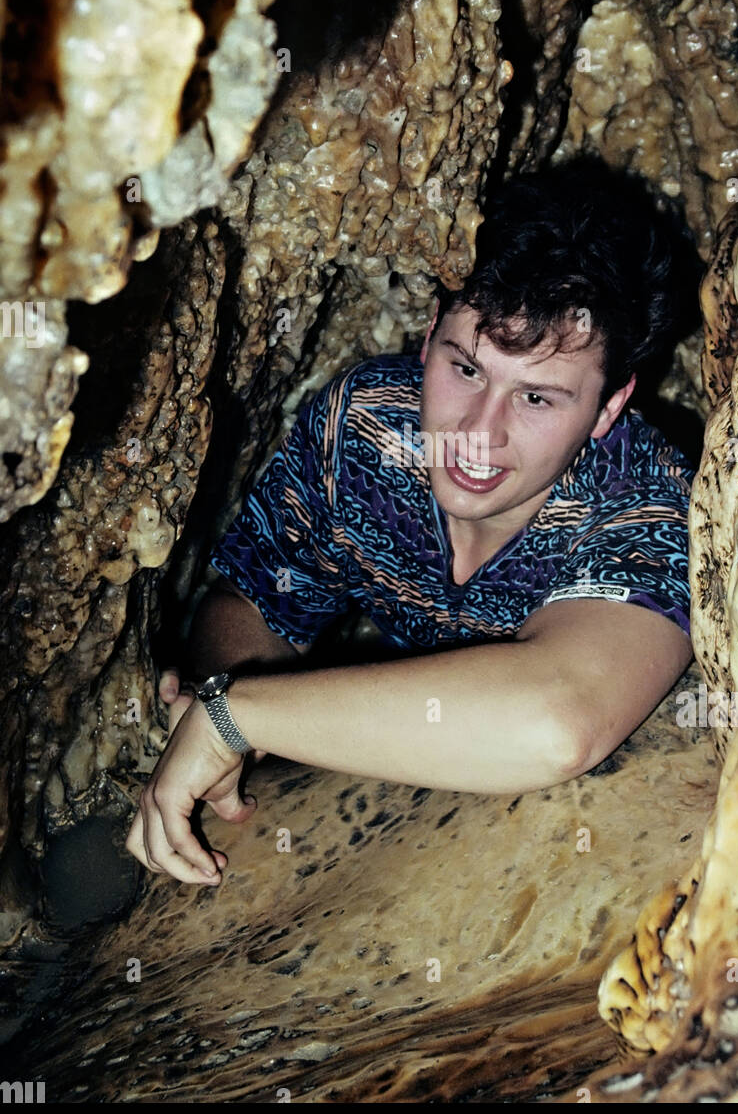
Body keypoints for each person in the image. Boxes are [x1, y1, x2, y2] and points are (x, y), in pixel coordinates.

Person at [125, 162, 696, 886]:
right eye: (465, 370)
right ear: (428, 338)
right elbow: (252, 602)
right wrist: (224, 695)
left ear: (608, 408)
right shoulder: (362, 427)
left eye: (538, 400)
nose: (477, 434)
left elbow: (559, 725)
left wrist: (239, 715)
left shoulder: (646, 502)